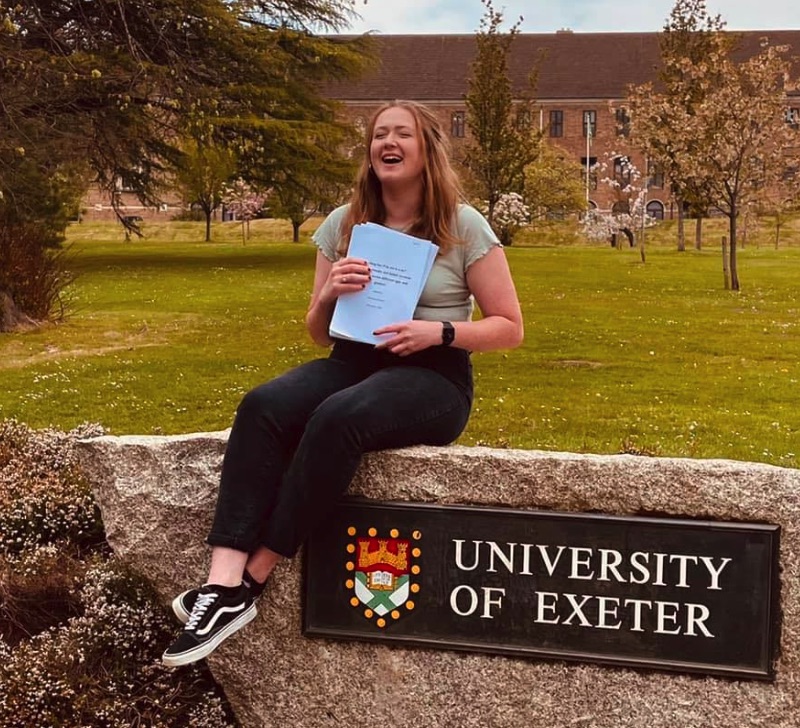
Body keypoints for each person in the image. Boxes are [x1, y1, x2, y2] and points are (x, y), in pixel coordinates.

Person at [162, 99, 524, 667]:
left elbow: (510, 327)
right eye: (380, 134)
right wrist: (331, 292)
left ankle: (254, 577)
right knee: (263, 405)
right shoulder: (344, 223)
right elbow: (315, 330)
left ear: (427, 148)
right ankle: (221, 581)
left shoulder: (463, 223)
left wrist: (440, 332)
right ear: (370, 150)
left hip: (433, 375)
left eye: (402, 133)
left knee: (338, 417)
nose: (389, 142)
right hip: (351, 358)